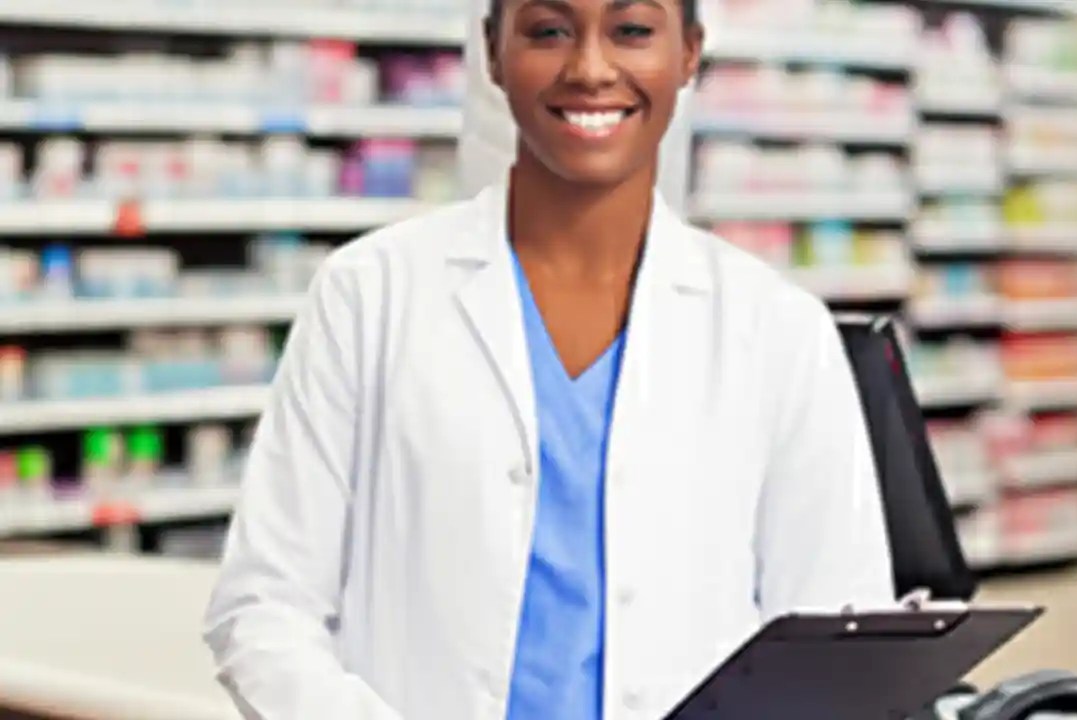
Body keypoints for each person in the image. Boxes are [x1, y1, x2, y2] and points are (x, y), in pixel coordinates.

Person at [202, 0, 894, 717]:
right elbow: (263, 607)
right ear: (493, 54)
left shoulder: (779, 330)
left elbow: (837, 640)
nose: (590, 69)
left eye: (632, 31)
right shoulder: (369, 294)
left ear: (689, 52)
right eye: (548, 31)